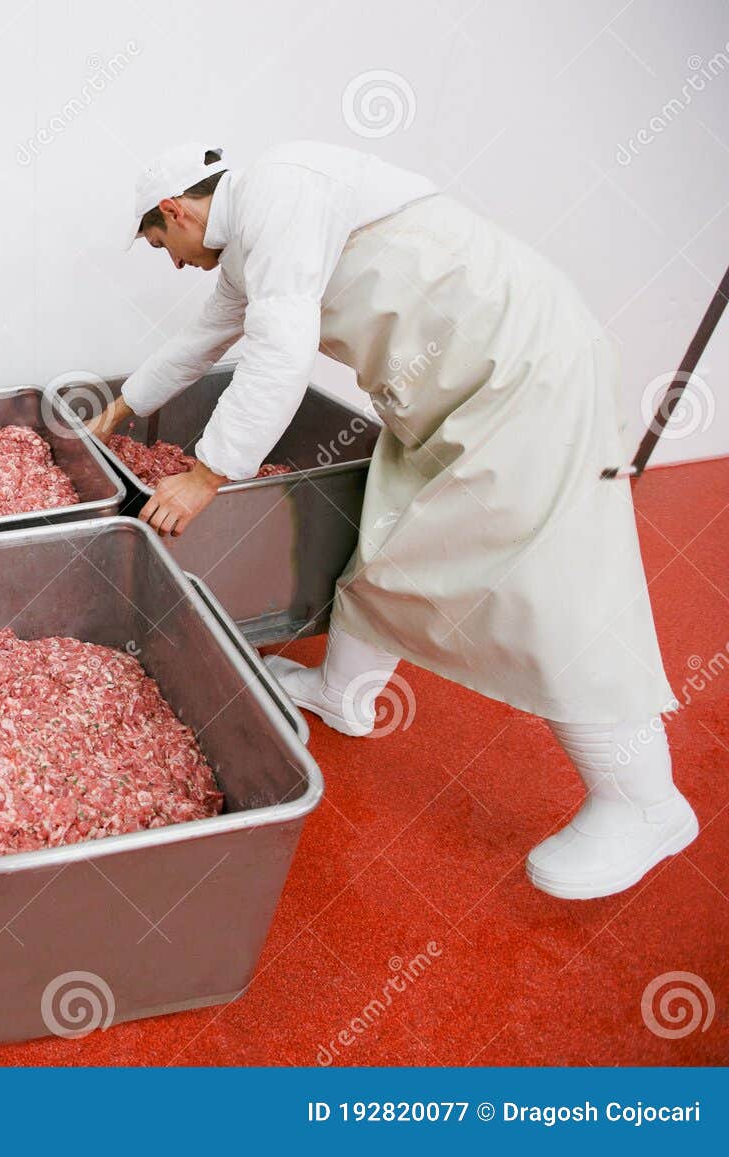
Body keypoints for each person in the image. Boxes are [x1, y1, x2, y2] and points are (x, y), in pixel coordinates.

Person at [89, 140, 696, 900]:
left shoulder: (281, 195)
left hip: (524, 377)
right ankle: (344, 692)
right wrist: (117, 411)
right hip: (453, 394)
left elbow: (280, 355)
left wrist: (206, 476)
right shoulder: (252, 238)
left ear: (177, 210)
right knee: (390, 538)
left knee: (550, 587)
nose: (172, 262)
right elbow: (203, 339)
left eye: (161, 245)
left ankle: (643, 801)